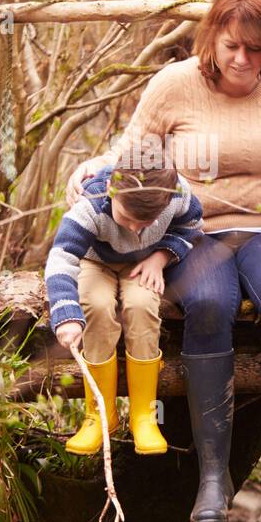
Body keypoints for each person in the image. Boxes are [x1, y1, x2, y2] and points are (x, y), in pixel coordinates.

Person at [64, 0, 261, 522]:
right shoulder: (174, 85)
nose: (242, 59)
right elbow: (135, 153)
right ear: (212, 38)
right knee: (209, 302)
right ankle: (214, 477)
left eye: (255, 50)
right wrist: (96, 167)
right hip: (189, 231)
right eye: (232, 45)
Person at [48, 158, 202, 457]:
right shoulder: (91, 205)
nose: (132, 228)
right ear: (111, 189)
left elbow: (193, 226)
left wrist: (162, 256)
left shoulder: (177, 194)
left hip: (143, 264)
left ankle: (143, 415)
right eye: (126, 218)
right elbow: (61, 258)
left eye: (143, 223)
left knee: (142, 304)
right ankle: (99, 415)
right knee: (97, 304)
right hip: (95, 261)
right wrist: (66, 314)